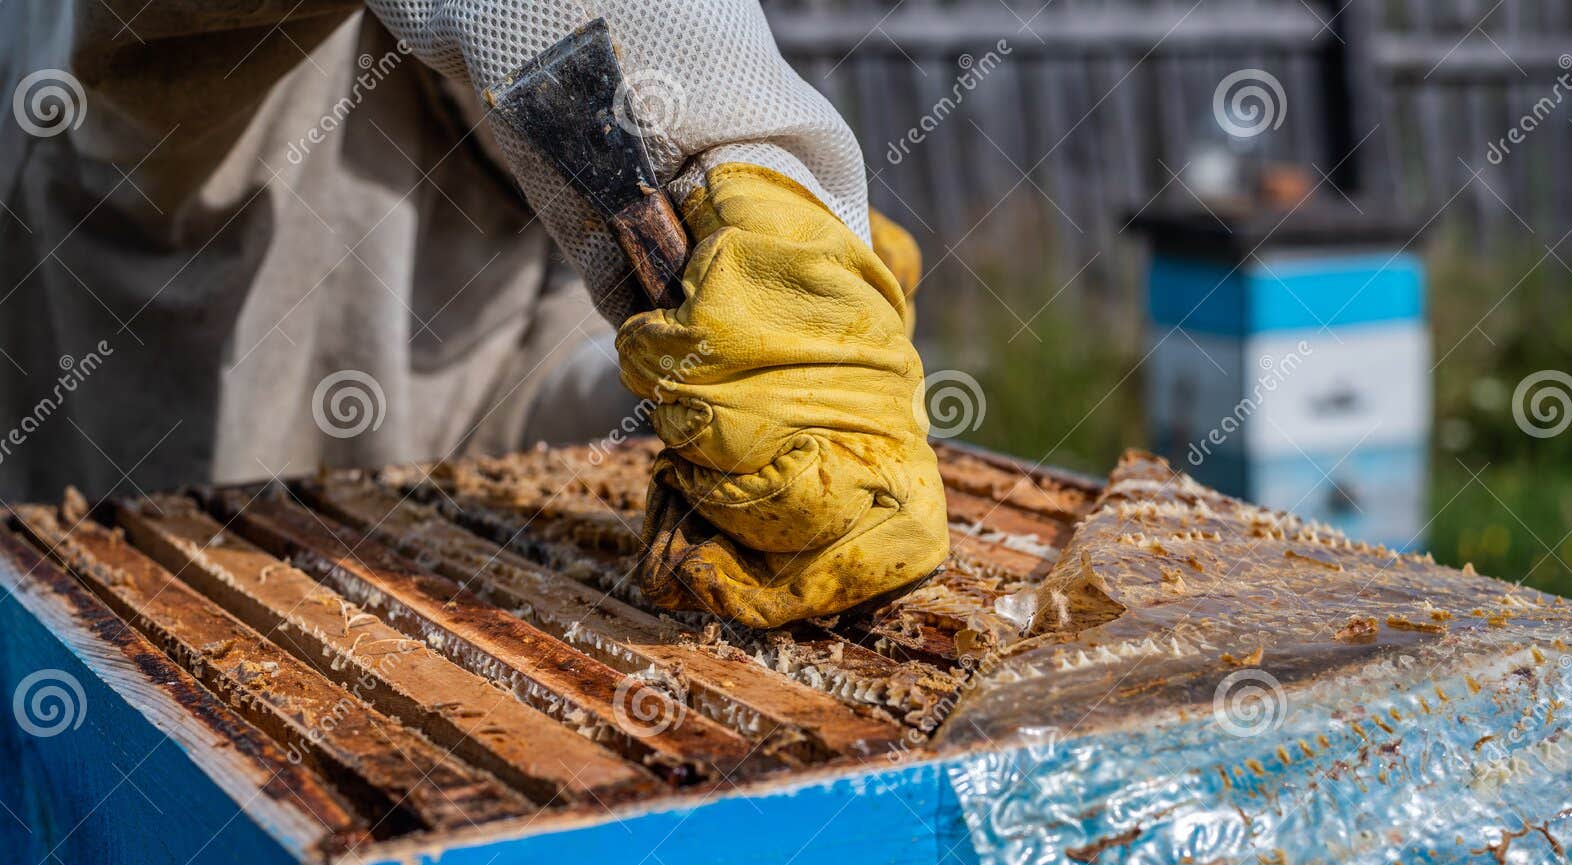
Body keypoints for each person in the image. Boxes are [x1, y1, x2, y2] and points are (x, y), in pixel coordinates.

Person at [0, 2, 947, 627]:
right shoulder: (140, 61)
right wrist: (737, 156)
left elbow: (513, 405)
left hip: (427, 591)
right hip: (140, 618)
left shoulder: (499, 131)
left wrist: (717, 405)